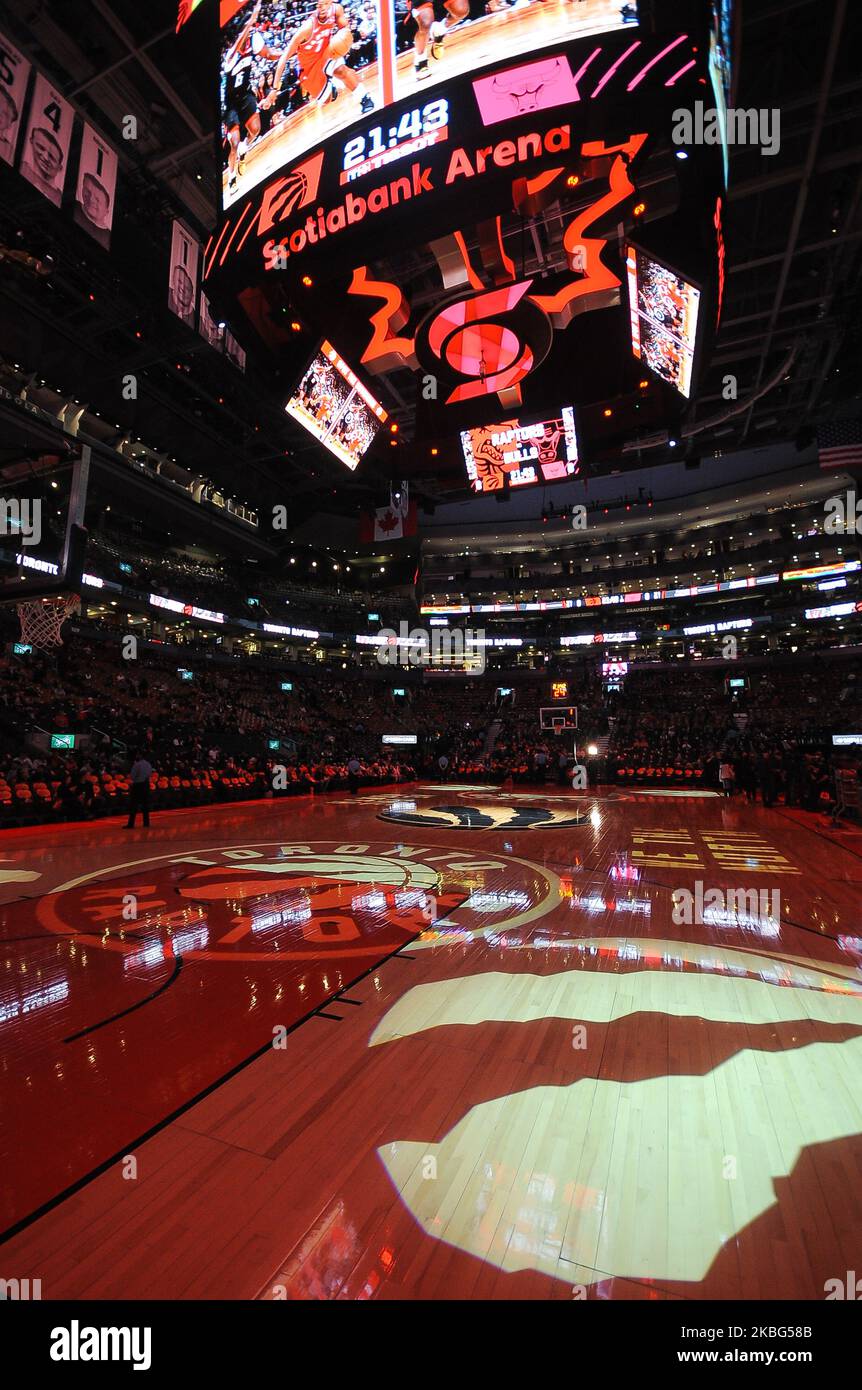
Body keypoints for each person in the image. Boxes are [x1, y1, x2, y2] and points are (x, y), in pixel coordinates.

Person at [126, 751, 153, 828]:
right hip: (146, 785)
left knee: (134, 805)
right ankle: (146, 823)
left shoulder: (137, 765)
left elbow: (132, 776)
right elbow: (149, 774)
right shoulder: (148, 764)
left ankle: (131, 824)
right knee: (145, 804)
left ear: (140, 755)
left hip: (138, 785)